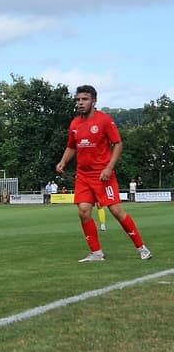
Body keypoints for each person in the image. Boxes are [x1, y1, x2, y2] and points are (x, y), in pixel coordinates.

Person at [55, 85, 152, 262]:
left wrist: (109, 168)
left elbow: (118, 144)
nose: (80, 103)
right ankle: (97, 253)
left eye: (84, 99)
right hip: (83, 176)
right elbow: (71, 146)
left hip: (102, 175)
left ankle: (142, 248)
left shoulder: (105, 120)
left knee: (116, 211)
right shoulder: (75, 123)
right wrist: (63, 161)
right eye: (78, 99)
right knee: (84, 211)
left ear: (94, 101)